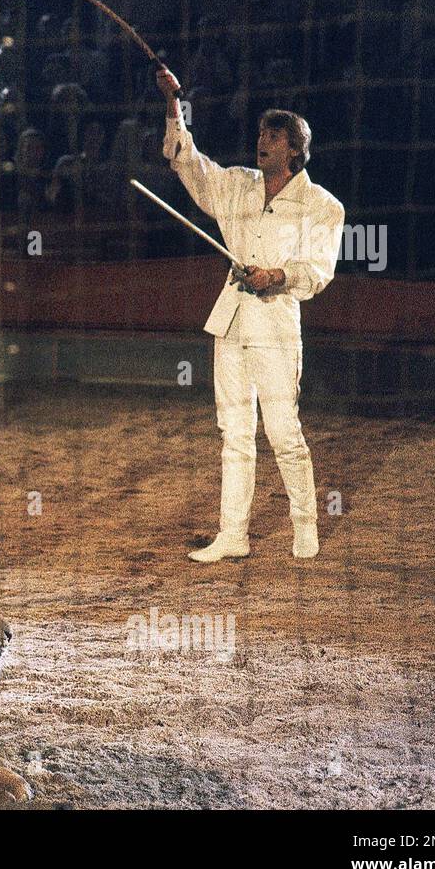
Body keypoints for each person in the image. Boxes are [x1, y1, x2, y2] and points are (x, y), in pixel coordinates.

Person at [156, 66, 344, 561]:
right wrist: (174, 105)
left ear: (295, 150)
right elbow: (188, 162)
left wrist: (276, 276)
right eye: (262, 133)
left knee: (283, 431)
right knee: (234, 433)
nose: (262, 141)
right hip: (233, 320)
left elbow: (319, 269)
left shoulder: (322, 206)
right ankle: (232, 534)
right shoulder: (237, 185)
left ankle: (305, 526)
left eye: (274, 136)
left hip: (277, 326)